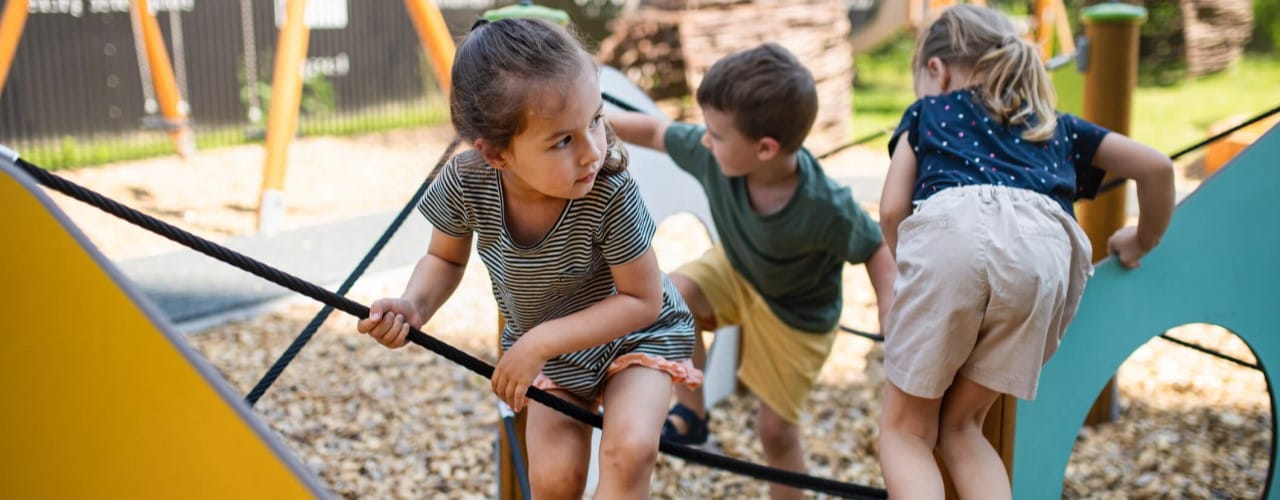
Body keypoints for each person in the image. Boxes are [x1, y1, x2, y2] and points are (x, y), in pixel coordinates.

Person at [355, 18, 702, 499]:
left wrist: (538, 342)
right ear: (496, 154)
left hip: (635, 337)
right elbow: (445, 259)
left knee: (630, 451)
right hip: (556, 358)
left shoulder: (610, 190)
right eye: (563, 140)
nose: (592, 152)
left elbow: (641, 300)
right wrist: (414, 306)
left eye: (596, 121)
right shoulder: (468, 182)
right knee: (554, 479)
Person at [876, 5, 1176, 499]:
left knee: (907, 429)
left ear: (936, 70)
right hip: (1042, 256)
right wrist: (1141, 238)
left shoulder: (929, 112)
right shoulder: (1052, 124)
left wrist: (919, 280)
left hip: (951, 233)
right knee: (964, 426)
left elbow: (891, 211)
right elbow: (1157, 167)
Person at [610, 43, 896, 500]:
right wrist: (590, 124)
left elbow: (875, 245)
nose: (705, 139)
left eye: (717, 134)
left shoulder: (825, 206)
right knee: (671, 298)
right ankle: (692, 415)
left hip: (796, 314)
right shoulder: (712, 153)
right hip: (739, 267)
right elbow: (654, 131)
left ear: (765, 148)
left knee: (775, 431)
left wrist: (889, 305)